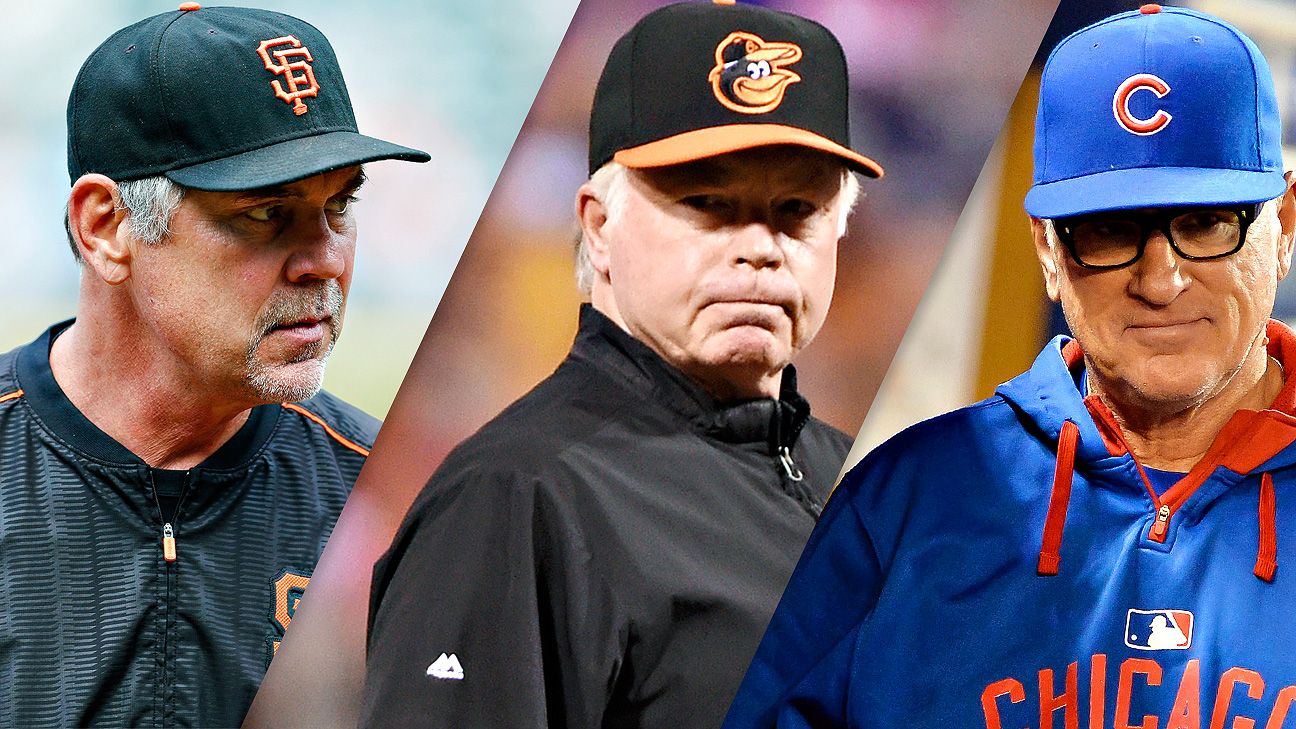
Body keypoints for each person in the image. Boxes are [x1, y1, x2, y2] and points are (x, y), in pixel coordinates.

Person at [722, 5, 1296, 727]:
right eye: (1111, 231)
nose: (1161, 280)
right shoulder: (903, 500)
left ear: (1284, 228)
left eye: (1206, 223)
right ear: (1050, 253)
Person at [360, 1, 881, 726]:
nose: (761, 245)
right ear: (599, 226)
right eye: (709, 203)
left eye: (797, 210)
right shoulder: (517, 495)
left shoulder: (861, 485)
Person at [0, 5, 428, 727]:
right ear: (107, 226)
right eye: (266, 213)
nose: (325, 259)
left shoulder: (389, 496)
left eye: (341, 204)